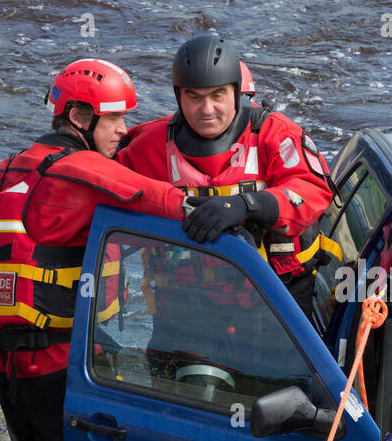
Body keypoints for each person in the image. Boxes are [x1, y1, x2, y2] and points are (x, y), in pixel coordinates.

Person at [0, 57, 188, 441]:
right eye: (115, 119)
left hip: (5, 366)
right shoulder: (79, 170)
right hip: (55, 368)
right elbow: (163, 201)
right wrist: (243, 208)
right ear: (78, 117)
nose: (123, 130)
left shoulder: (15, 164)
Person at [115, 33, 338, 312]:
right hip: (185, 308)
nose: (206, 110)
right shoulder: (148, 146)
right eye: (194, 97)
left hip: (276, 301)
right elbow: (100, 188)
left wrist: (249, 205)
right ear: (178, 97)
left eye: (217, 95)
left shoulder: (275, 135)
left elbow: (312, 190)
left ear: (235, 92)